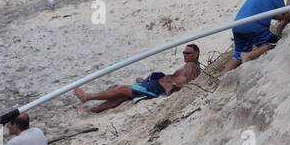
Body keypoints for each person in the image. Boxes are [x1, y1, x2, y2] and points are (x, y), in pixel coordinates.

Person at [73, 44, 201, 113]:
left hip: (157, 88)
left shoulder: (192, 67)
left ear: (195, 55)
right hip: (157, 85)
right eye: (183, 52)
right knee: (122, 97)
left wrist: (171, 88)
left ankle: (88, 97)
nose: (184, 54)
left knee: (121, 89)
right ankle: (92, 110)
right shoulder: (188, 65)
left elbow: (189, 82)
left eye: (187, 53)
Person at [223, 0, 290, 70]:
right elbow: (285, 15)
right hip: (252, 25)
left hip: (237, 25)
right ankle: (249, 56)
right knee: (272, 41)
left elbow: (269, 13)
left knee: (238, 55)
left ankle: (223, 76)